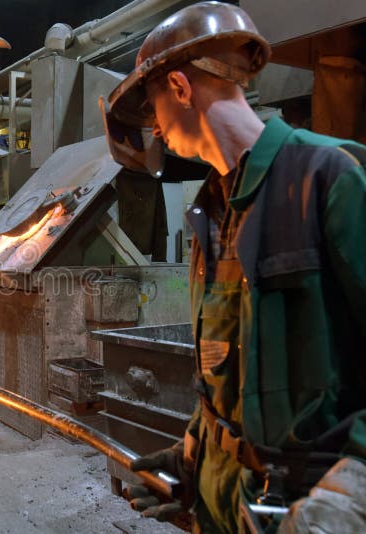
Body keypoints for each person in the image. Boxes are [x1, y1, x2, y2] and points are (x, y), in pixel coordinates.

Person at [102, 2, 366, 532]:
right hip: (228, 503)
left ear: (179, 88)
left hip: (307, 509)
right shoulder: (213, 210)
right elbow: (226, 368)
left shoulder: (329, 176)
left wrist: (351, 493)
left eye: (153, 109)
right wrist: (197, 456)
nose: (155, 129)